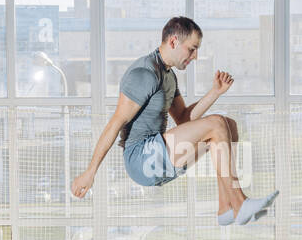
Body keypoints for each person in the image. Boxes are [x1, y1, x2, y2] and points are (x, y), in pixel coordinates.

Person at [71, 16, 277, 226]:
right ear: (173, 42)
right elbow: (115, 123)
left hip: (158, 154)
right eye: (192, 49)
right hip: (141, 158)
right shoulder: (144, 73)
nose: (195, 56)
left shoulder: (168, 75)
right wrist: (90, 172)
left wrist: (215, 92)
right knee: (216, 124)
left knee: (228, 126)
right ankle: (240, 203)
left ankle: (226, 208)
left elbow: (183, 119)